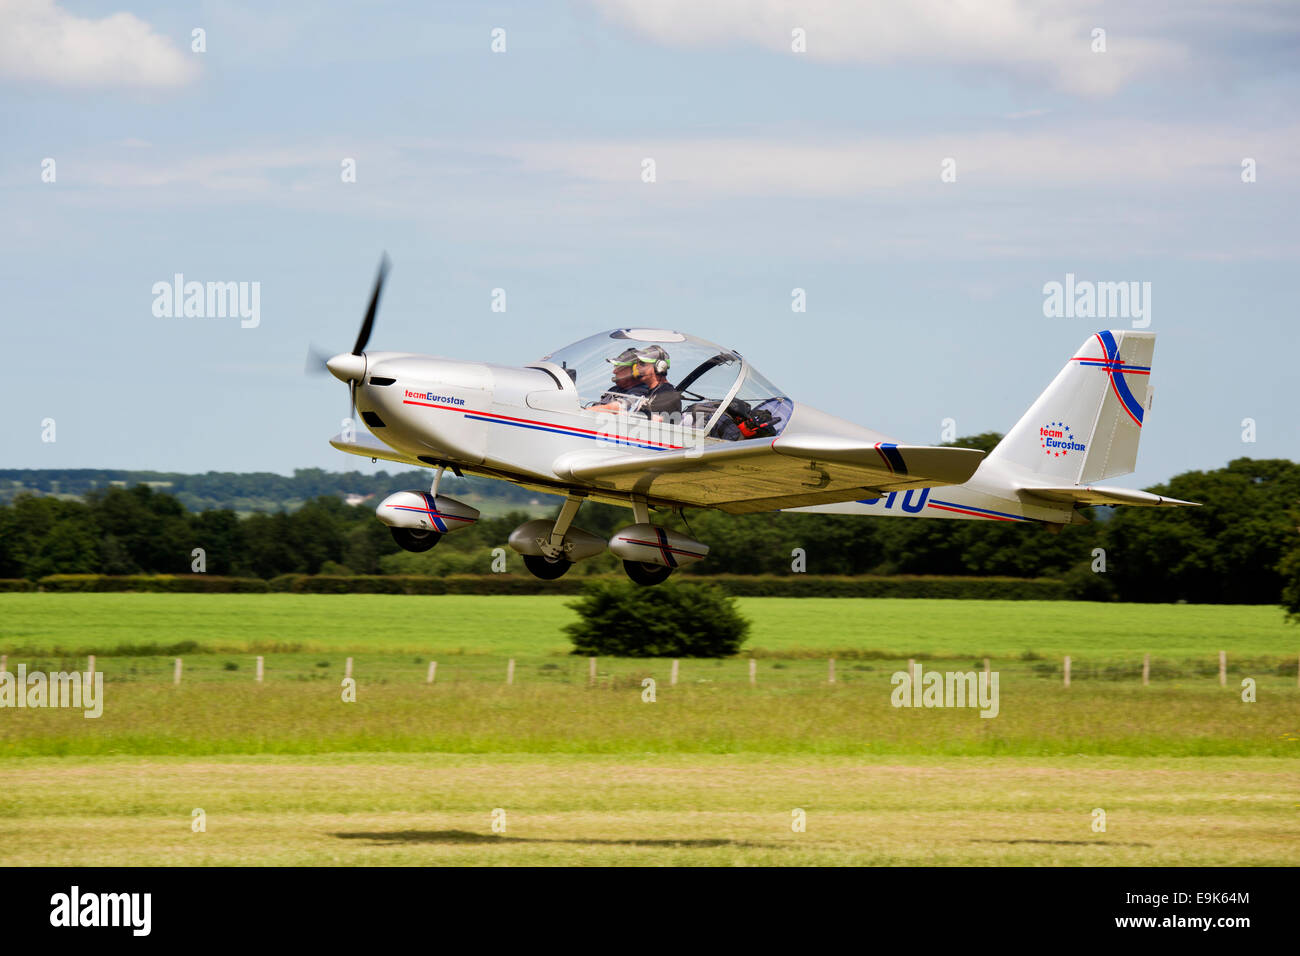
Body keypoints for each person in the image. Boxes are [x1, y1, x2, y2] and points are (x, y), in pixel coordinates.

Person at [588, 348, 649, 413]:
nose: (614, 371)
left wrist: (587, 411)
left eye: (620, 368)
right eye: (615, 367)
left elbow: (619, 407)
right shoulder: (614, 390)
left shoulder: (641, 392)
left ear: (636, 370)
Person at [629, 346, 682, 418]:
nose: (637, 367)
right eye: (637, 363)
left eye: (642, 363)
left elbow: (646, 421)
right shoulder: (651, 392)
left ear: (660, 366)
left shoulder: (667, 395)